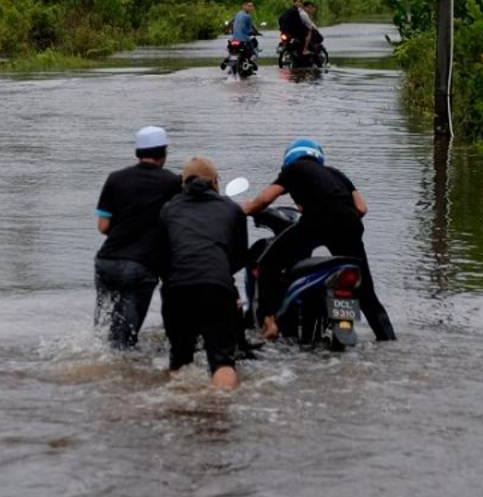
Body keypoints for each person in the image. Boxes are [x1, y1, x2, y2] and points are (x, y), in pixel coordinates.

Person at [240, 138, 396, 342]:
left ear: (289, 159)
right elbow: (361, 208)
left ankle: (269, 323)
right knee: (366, 291)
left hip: (317, 221)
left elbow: (265, 199)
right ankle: (388, 339)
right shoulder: (336, 173)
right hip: (349, 224)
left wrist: (242, 209)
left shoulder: (294, 169)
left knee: (268, 263)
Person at [155, 157, 248, 390]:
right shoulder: (231, 209)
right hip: (217, 286)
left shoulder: (169, 210)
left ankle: (178, 411)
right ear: (215, 182)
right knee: (222, 361)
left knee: (180, 359)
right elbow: (239, 256)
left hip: (177, 288)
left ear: (183, 183)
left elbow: (162, 257)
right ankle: (221, 410)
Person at [94, 126, 180, 349]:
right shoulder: (172, 182)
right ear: (164, 153)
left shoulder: (115, 179)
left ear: (137, 153)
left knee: (103, 331)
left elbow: (103, 226)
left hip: (106, 262)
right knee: (124, 342)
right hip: (140, 266)